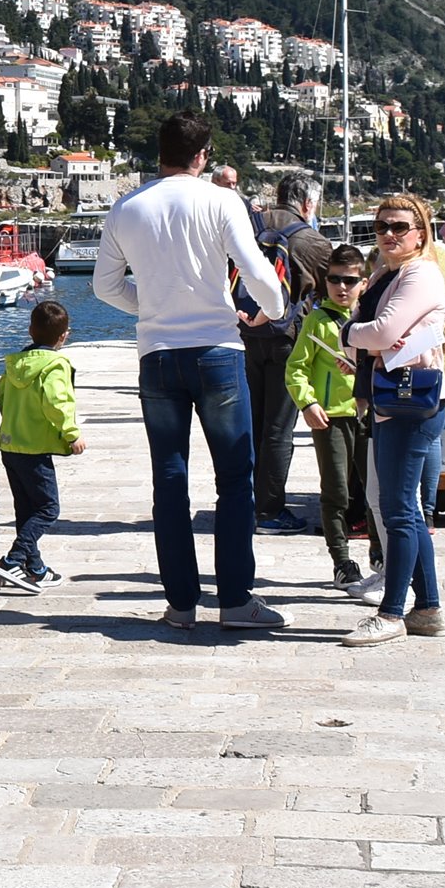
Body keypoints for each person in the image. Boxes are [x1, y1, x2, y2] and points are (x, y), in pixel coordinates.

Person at [94, 111, 289, 631]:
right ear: (203, 155)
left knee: (170, 481)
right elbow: (257, 270)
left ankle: (180, 604)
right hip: (218, 351)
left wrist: (153, 306)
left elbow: (104, 288)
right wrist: (273, 308)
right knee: (234, 480)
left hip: (157, 354)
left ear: (159, 152)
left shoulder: (126, 206)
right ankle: (235, 600)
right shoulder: (221, 200)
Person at [341, 194, 445, 646]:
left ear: (421, 233)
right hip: (392, 401)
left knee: (399, 510)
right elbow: (374, 336)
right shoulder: (388, 274)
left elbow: (380, 333)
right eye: (382, 225)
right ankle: (427, 608)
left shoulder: (420, 274)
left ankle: (391, 613)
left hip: (411, 403)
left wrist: (351, 332)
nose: (389, 233)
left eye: (400, 227)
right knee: (403, 509)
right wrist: (364, 337)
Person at [245, 177, 335, 536]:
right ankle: (270, 511)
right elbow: (336, 290)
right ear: (309, 204)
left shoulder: (250, 226)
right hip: (288, 338)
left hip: (247, 333)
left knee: (252, 425)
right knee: (279, 429)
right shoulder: (312, 241)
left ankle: (246, 502)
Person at [287, 243, 377, 598]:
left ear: (363, 283)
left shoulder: (373, 318)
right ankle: (341, 560)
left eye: (350, 280)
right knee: (336, 491)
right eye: (334, 280)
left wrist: (363, 372)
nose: (342, 287)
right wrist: (307, 403)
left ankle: (380, 555)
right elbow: (296, 368)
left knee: (375, 491)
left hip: (368, 413)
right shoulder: (316, 320)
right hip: (331, 417)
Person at [0, 298, 85, 588]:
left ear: (30, 331)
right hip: (35, 448)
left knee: (26, 508)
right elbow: (57, 403)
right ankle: (13, 560)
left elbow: (2, 399)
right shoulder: (55, 365)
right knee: (48, 508)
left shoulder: (14, 364)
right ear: (64, 336)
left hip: (11, 446)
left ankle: (35, 568)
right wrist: (72, 434)